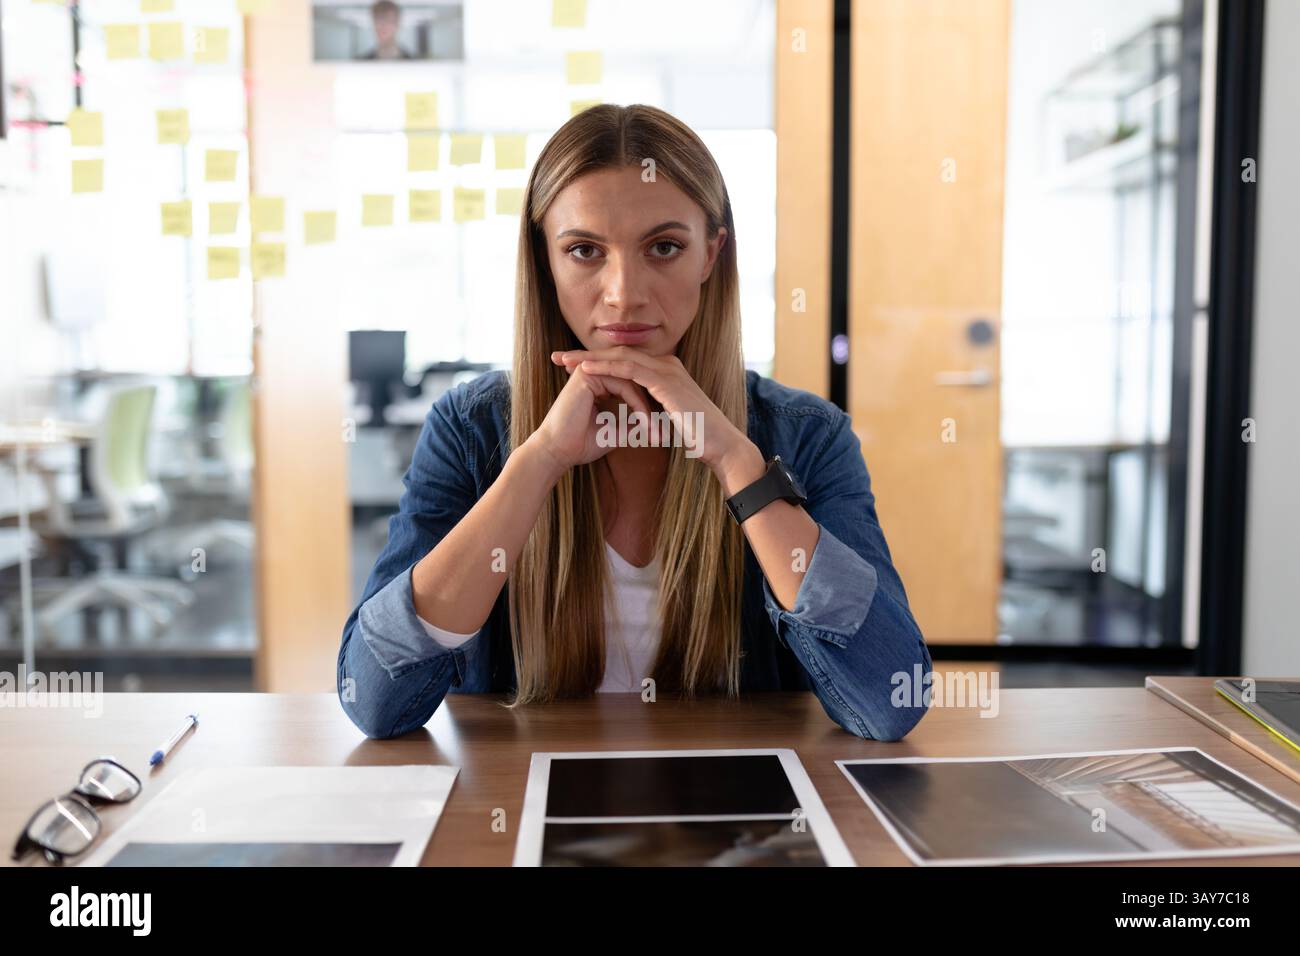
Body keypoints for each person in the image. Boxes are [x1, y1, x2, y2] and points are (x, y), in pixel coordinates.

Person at [338, 104, 932, 741]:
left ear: (711, 254)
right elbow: (373, 701)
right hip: (522, 811)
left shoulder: (806, 434)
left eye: (665, 247)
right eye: (585, 251)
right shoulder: (471, 426)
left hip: (738, 817)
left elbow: (890, 701)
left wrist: (737, 463)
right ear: (545, 262)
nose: (623, 293)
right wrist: (537, 461)